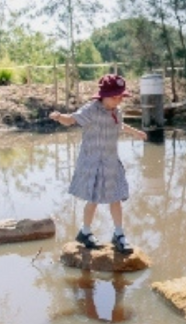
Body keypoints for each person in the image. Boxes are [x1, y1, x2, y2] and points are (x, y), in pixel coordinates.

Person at [49, 73, 147, 254]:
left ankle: (119, 234)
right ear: (104, 95)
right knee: (93, 199)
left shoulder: (117, 111)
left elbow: (120, 126)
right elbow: (71, 120)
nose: (118, 100)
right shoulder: (91, 110)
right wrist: (59, 116)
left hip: (111, 162)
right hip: (93, 162)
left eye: (121, 97)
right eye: (115, 97)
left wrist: (136, 132)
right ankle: (85, 231)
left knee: (116, 197)